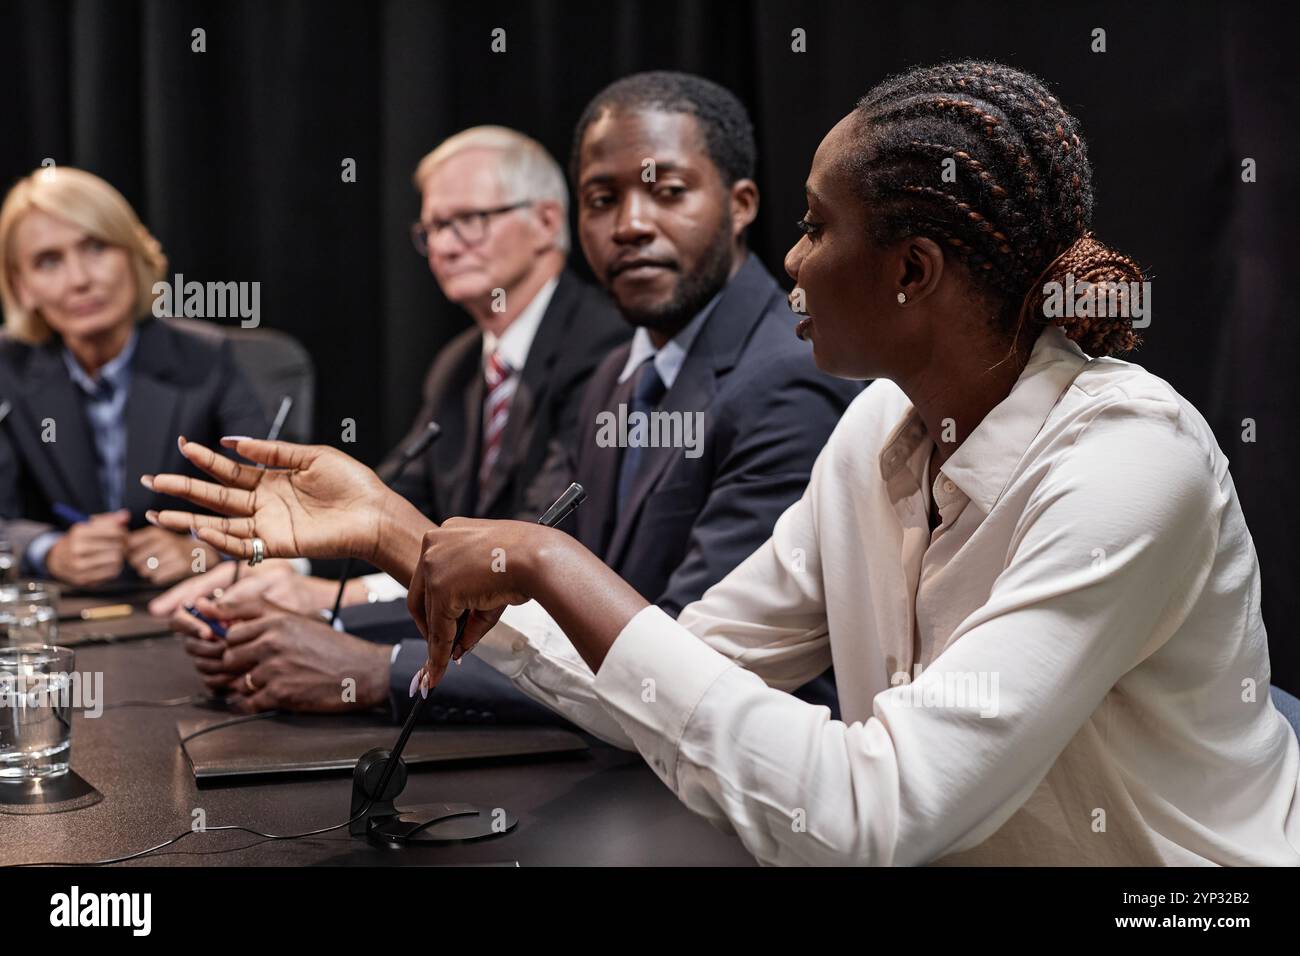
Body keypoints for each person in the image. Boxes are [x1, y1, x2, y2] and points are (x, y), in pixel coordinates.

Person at [146, 61, 1300, 866]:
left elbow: (869, 816)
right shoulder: (874, 434)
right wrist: (406, 532)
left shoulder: (1122, 469)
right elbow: (662, 673)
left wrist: (545, 558)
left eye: (810, 223)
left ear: (912, 272)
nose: (788, 258)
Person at [158, 76, 856, 722]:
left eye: (667, 191)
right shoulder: (620, 372)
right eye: (603, 200)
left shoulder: (785, 378)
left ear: (740, 206)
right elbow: (544, 606)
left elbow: (682, 661)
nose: (630, 225)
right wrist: (312, 624)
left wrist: (381, 669)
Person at [150, 126, 628, 711]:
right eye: (432, 230)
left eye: (469, 220)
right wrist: (278, 565)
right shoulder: (459, 366)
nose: (446, 246)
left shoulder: (608, 350)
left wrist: (328, 601)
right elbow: (393, 502)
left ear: (549, 221)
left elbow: (531, 555)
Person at [0, 166, 267, 588]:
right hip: (62, 614)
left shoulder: (205, 357)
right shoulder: (6, 368)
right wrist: (47, 548)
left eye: (96, 248)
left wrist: (205, 546)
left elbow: (270, 499)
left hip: (179, 605)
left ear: (133, 253)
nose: (80, 279)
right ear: (22, 287)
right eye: (48, 261)